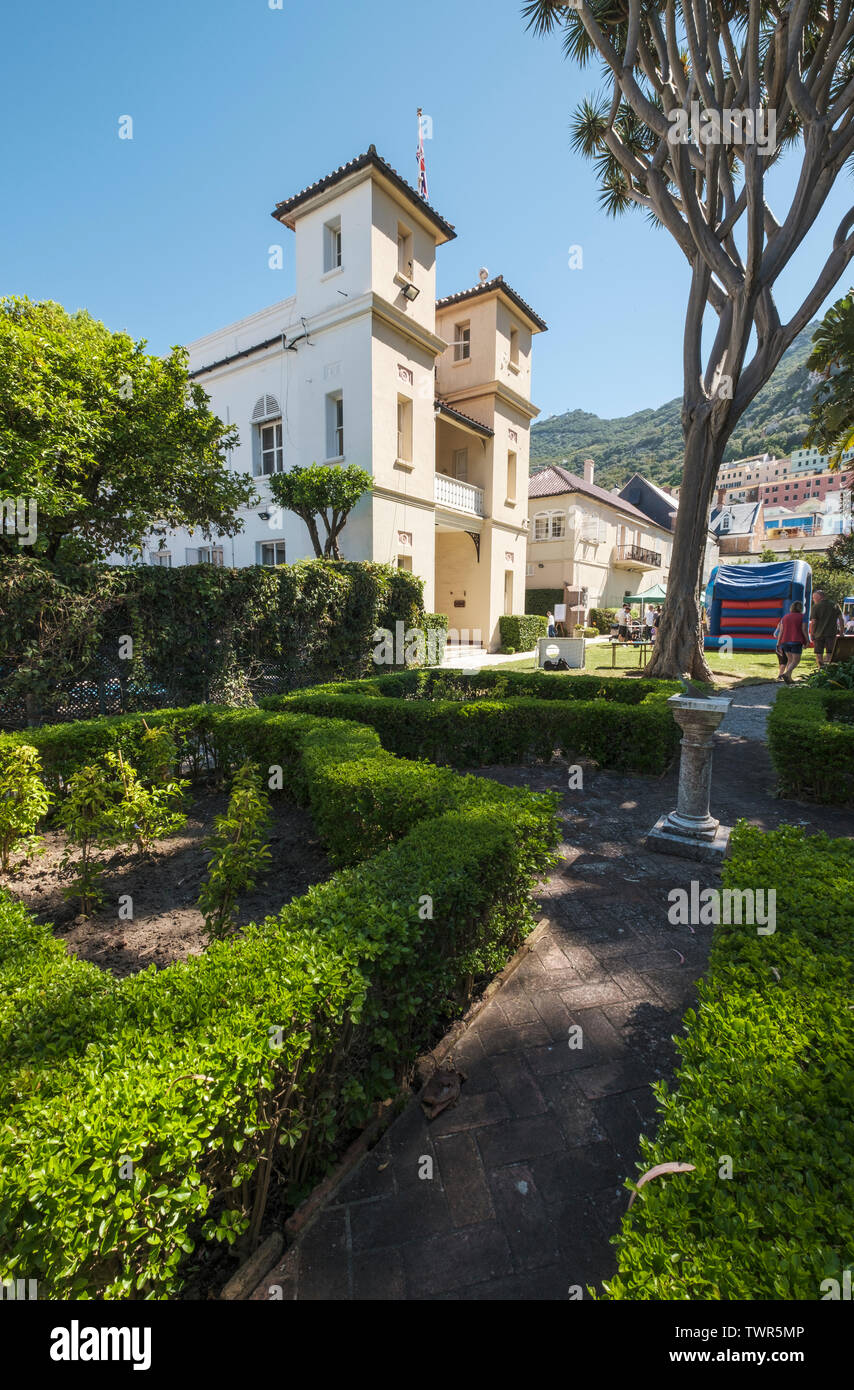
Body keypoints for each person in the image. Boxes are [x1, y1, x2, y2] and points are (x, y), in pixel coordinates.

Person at [773, 601, 809, 683]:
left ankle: (789, 678)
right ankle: (786, 674)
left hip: (785, 641)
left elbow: (781, 631)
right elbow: (804, 629)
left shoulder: (785, 617)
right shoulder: (802, 617)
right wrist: (807, 640)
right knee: (796, 661)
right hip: (796, 640)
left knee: (790, 660)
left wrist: (778, 643)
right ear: (801, 608)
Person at [809, 590, 844, 668]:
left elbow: (813, 622)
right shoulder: (834, 605)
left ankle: (820, 670)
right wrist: (842, 632)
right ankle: (829, 669)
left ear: (819, 597)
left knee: (818, 653)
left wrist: (812, 633)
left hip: (818, 634)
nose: (813, 599)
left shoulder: (816, 606)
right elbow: (841, 619)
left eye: (814, 598)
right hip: (831, 633)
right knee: (830, 652)